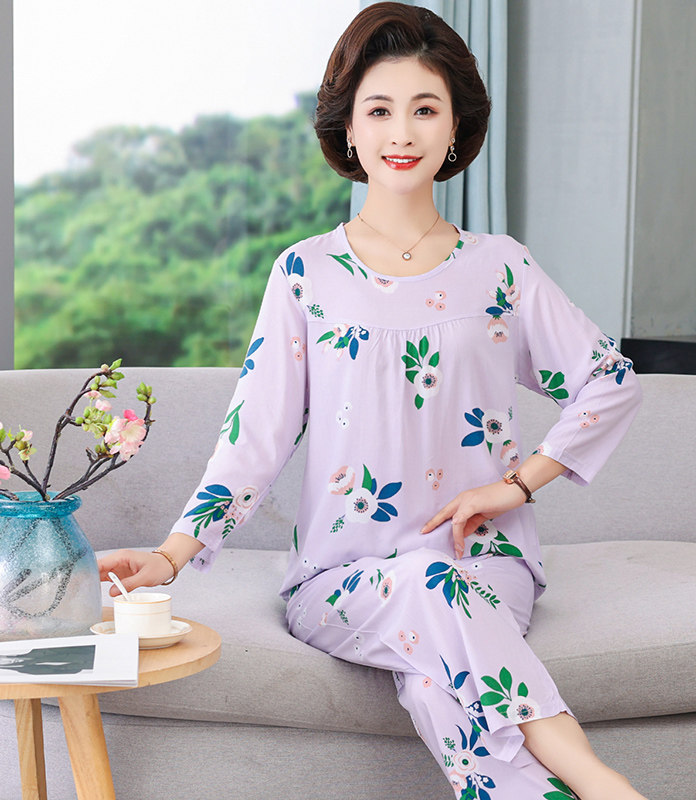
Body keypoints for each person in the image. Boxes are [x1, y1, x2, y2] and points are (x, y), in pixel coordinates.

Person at [98, 4, 646, 798]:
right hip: (342, 579)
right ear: (349, 131)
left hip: (483, 566)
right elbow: (256, 437)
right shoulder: (305, 275)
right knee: (428, 598)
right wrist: (171, 555)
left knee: (433, 680)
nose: (402, 132)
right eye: (379, 110)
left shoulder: (500, 270)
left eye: (425, 109)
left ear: (455, 128)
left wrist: (517, 484)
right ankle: (598, 780)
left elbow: (608, 378)